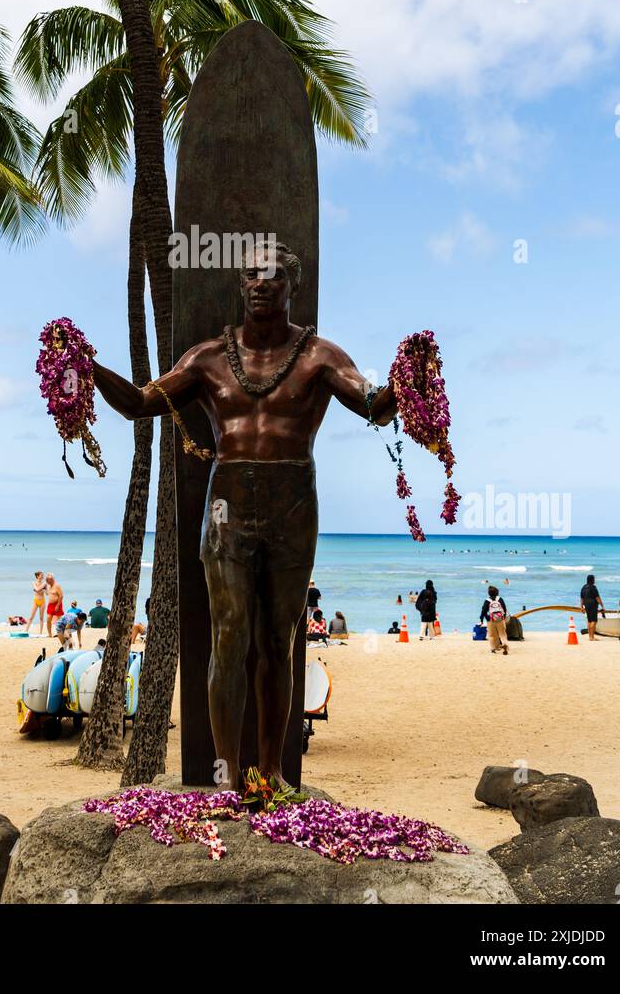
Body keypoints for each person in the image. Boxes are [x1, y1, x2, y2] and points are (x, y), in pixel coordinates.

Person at [92, 239, 400, 788]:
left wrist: (413, 379)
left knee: (277, 644)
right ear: (240, 286)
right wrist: (85, 368)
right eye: (253, 276)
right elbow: (142, 403)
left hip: (292, 504)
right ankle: (229, 775)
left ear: (292, 286)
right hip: (226, 507)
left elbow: (373, 404)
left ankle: (274, 773)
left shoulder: (320, 357)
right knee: (229, 636)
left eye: (274, 275)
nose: (262, 284)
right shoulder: (208, 358)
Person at [480, 585, 509, 655]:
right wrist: (503, 618)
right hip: (500, 619)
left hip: (490, 620)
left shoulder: (487, 601)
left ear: (489, 593)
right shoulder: (500, 599)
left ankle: (493, 649)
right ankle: (504, 644)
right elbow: (504, 609)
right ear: (497, 592)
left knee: (492, 635)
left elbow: (483, 611)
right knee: (502, 634)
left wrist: (481, 619)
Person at [580, 574, 605, 641]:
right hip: (593, 605)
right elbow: (597, 597)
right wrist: (602, 605)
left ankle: (590, 637)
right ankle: (592, 637)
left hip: (586, 605)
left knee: (589, 621)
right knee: (594, 621)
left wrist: (581, 606)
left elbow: (582, 598)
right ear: (592, 580)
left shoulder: (583, 587)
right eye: (594, 579)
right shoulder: (593, 587)